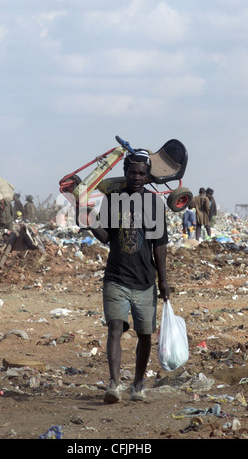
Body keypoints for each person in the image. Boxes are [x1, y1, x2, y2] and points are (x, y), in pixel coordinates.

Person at [87, 149, 170, 403]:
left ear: (147, 177)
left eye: (141, 173)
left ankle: (138, 384)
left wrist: (163, 280)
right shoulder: (113, 201)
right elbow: (106, 238)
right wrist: (87, 216)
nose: (136, 177)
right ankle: (113, 384)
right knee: (114, 327)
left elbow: (160, 245)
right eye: (132, 172)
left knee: (144, 335)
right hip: (116, 277)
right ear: (124, 173)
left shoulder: (155, 204)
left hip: (145, 280)